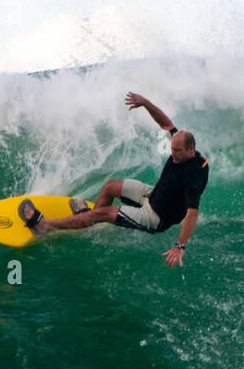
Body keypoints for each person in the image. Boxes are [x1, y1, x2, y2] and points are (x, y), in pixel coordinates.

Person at [21, 92, 208, 268]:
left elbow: (192, 213)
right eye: (172, 149)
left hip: (156, 217)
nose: (172, 154)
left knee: (99, 214)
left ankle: (45, 226)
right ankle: (87, 222)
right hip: (154, 194)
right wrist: (146, 104)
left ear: (191, 149)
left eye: (177, 151)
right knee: (110, 186)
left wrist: (179, 246)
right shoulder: (181, 146)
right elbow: (167, 125)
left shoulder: (194, 175)